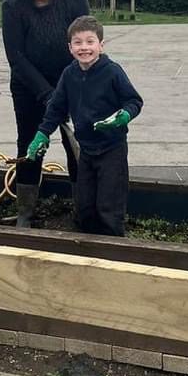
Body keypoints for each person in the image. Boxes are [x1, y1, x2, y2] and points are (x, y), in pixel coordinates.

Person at [1, 0, 89, 227]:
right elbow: (16, 56)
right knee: (30, 144)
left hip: (72, 82)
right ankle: (26, 212)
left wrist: (66, 91)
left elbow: (84, 41)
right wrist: (47, 94)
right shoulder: (12, 5)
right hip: (29, 87)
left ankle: (83, 208)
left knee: (76, 144)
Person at [27, 16, 142, 236]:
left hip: (112, 149)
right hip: (86, 151)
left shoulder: (112, 72)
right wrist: (42, 134)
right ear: (70, 48)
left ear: (101, 45)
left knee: (109, 206)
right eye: (78, 43)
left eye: (90, 42)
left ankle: (113, 249)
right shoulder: (69, 74)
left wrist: (125, 115)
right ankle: (86, 251)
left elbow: (134, 101)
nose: (84, 48)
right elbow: (56, 108)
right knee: (85, 206)